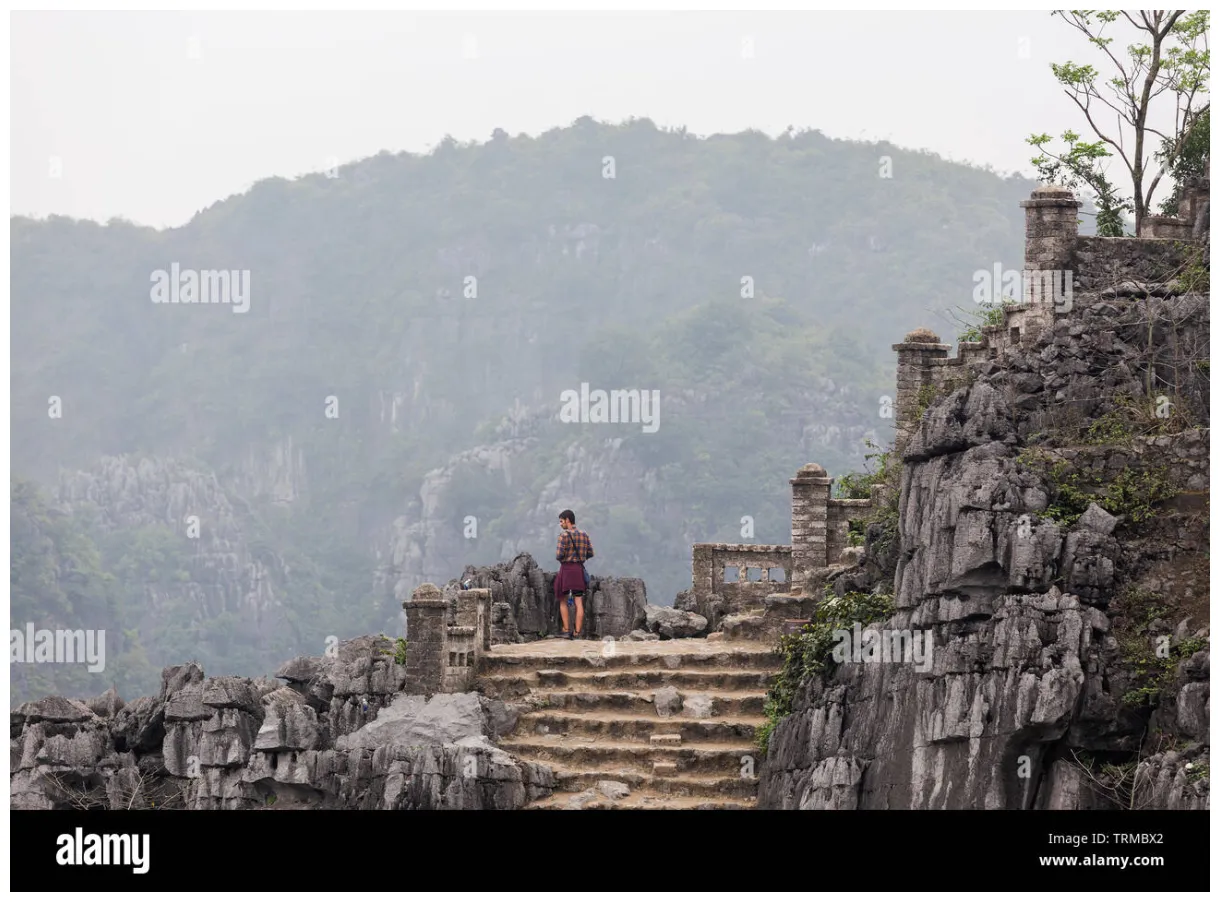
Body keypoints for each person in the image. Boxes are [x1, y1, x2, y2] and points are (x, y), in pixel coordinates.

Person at [554, 509, 593, 640]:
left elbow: (558, 555)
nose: (561, 524)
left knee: (563, 600)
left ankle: (566, 630)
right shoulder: (584, 534)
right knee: (578, 601)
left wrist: (566, 558)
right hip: (579, 571)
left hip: (566, 571)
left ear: (567, 520)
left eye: (561, 521)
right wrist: (580, 558)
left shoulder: (563, 536)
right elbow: (591, 553)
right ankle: (577, 632)